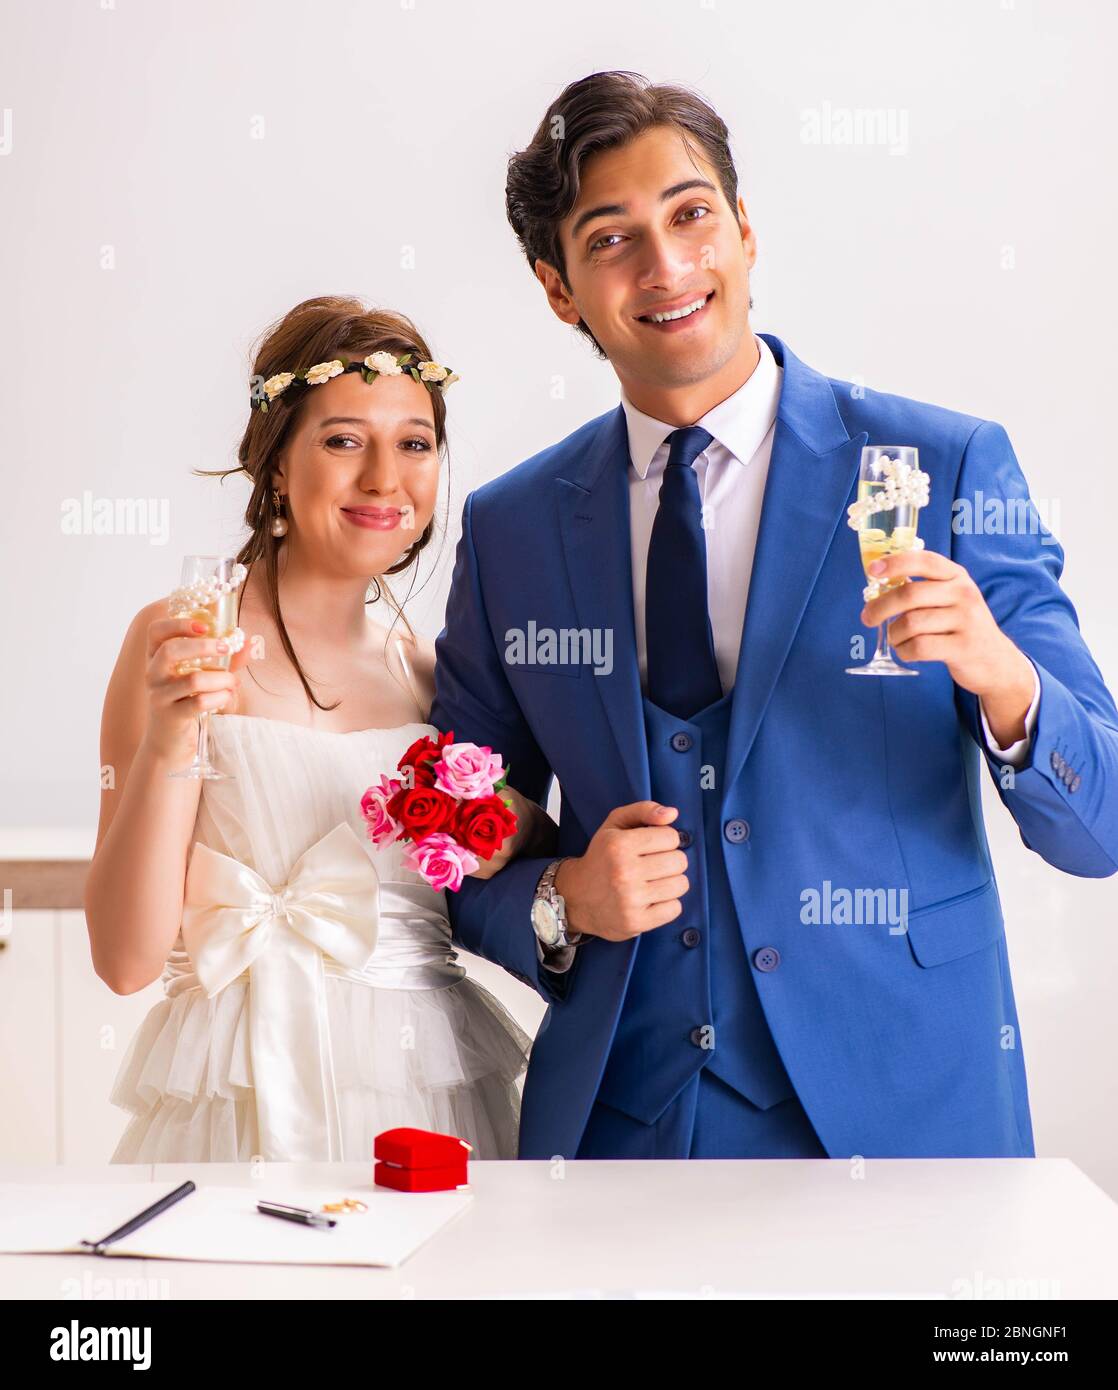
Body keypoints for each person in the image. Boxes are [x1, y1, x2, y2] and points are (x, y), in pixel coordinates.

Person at [429, 71, 1118, 1160]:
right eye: (610, 239)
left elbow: (1102, 824)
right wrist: (560, 899)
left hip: (905, 1117)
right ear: (558, 290)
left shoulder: (940, 466)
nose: (665, 266)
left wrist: (1001, 677)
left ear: (744, 232)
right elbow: (448, 833)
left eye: (690, 214)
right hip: (622, 1133)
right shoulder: (512, 527)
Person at [84, 295, 553, 1162]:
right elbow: (124, 960)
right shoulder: (180, 643)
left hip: (424, 1099)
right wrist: (168, 740)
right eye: (343, 440)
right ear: (274, 464)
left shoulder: (432, 680)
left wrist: (515, 821)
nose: (384, 478)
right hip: (236, 1093)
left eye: (414, 443)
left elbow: (505, 865)